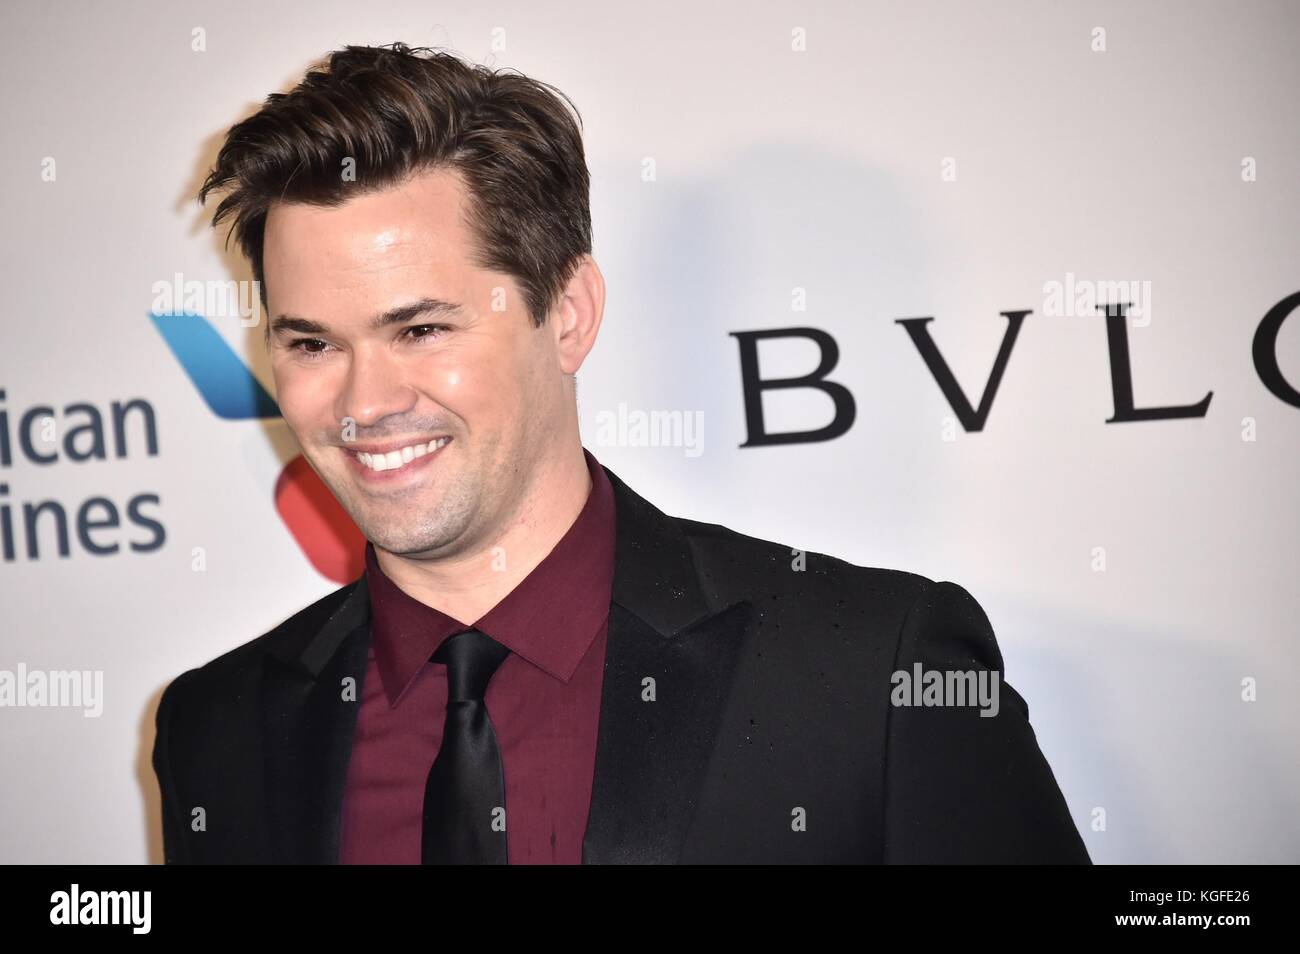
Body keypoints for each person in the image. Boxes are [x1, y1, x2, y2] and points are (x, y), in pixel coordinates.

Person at [152, 42, 1090, 864]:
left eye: (423, 329)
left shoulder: (873, 674)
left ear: (567, 315)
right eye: (312, 344)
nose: (365, 403)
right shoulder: (217, 731)